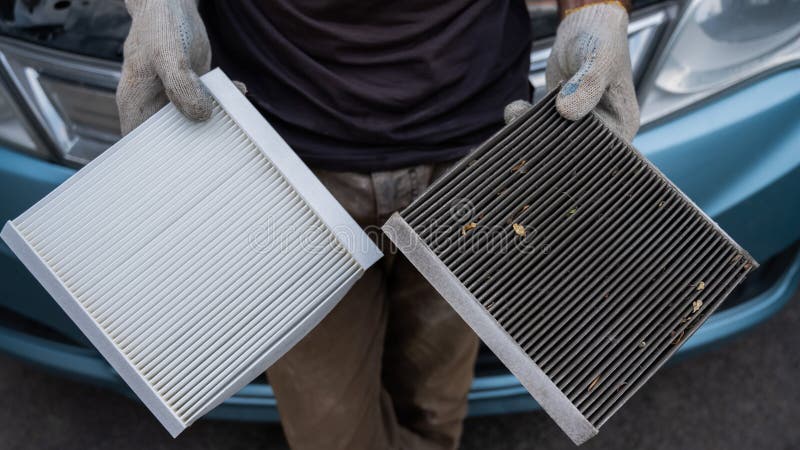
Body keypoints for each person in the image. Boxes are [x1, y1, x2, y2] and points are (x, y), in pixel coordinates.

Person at [116, 1, 639, 449]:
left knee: (433, 406)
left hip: (473, 164)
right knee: (331, 432)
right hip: (288, 169)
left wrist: (595, 10)